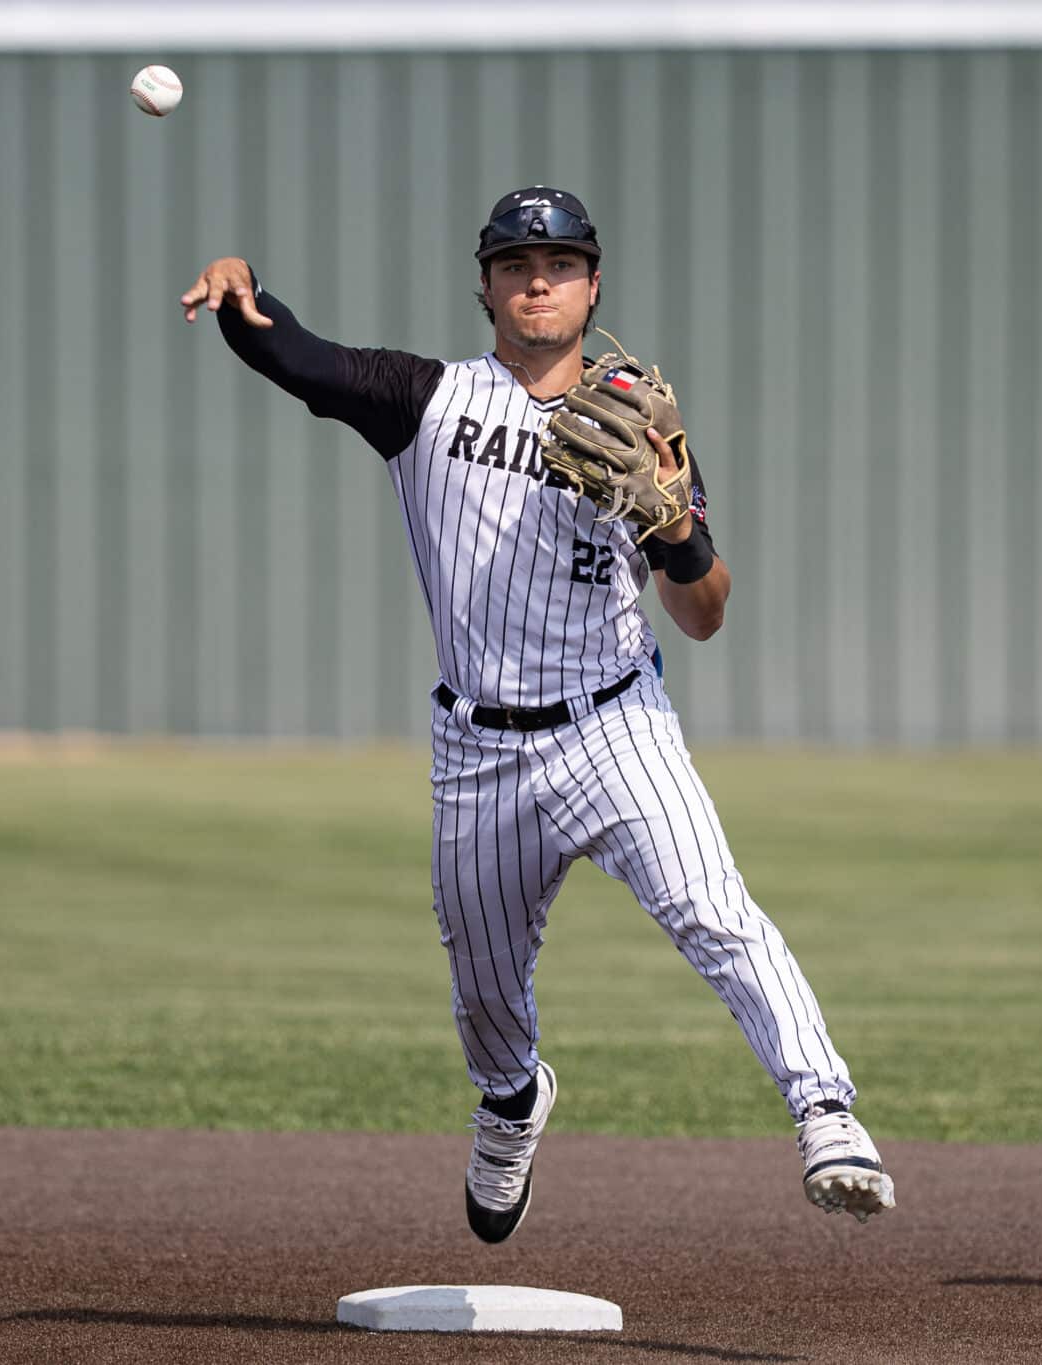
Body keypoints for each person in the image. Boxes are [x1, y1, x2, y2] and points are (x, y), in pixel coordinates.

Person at [180, 187, 895, 1243]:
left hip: (614, 726)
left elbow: (703, 615)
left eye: (558, 263)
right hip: (477, 748)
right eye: (516, 263)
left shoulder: (639, 426)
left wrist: (676, 524)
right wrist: (245, 289)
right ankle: (512, 1101)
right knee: (482, 986)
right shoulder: (423, 398)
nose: (538, 279)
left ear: (591, 284)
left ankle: (826, 1113)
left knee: (715, 910)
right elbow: (303, 360)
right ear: (485, 286)